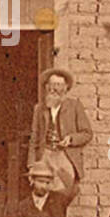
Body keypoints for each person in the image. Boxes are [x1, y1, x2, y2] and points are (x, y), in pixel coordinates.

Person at [28, 68, 93, 196]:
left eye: (58, 85)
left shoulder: (74, 106)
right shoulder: (39, 108)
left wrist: (71, 139)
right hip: (45, 155)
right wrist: (31, 164)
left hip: (65, 156)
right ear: (46, 87)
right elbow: (34, 137)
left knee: (63, 195)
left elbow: (87, 133)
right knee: (42, 193)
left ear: (65, 88)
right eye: (51, 84)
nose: (54, 88)